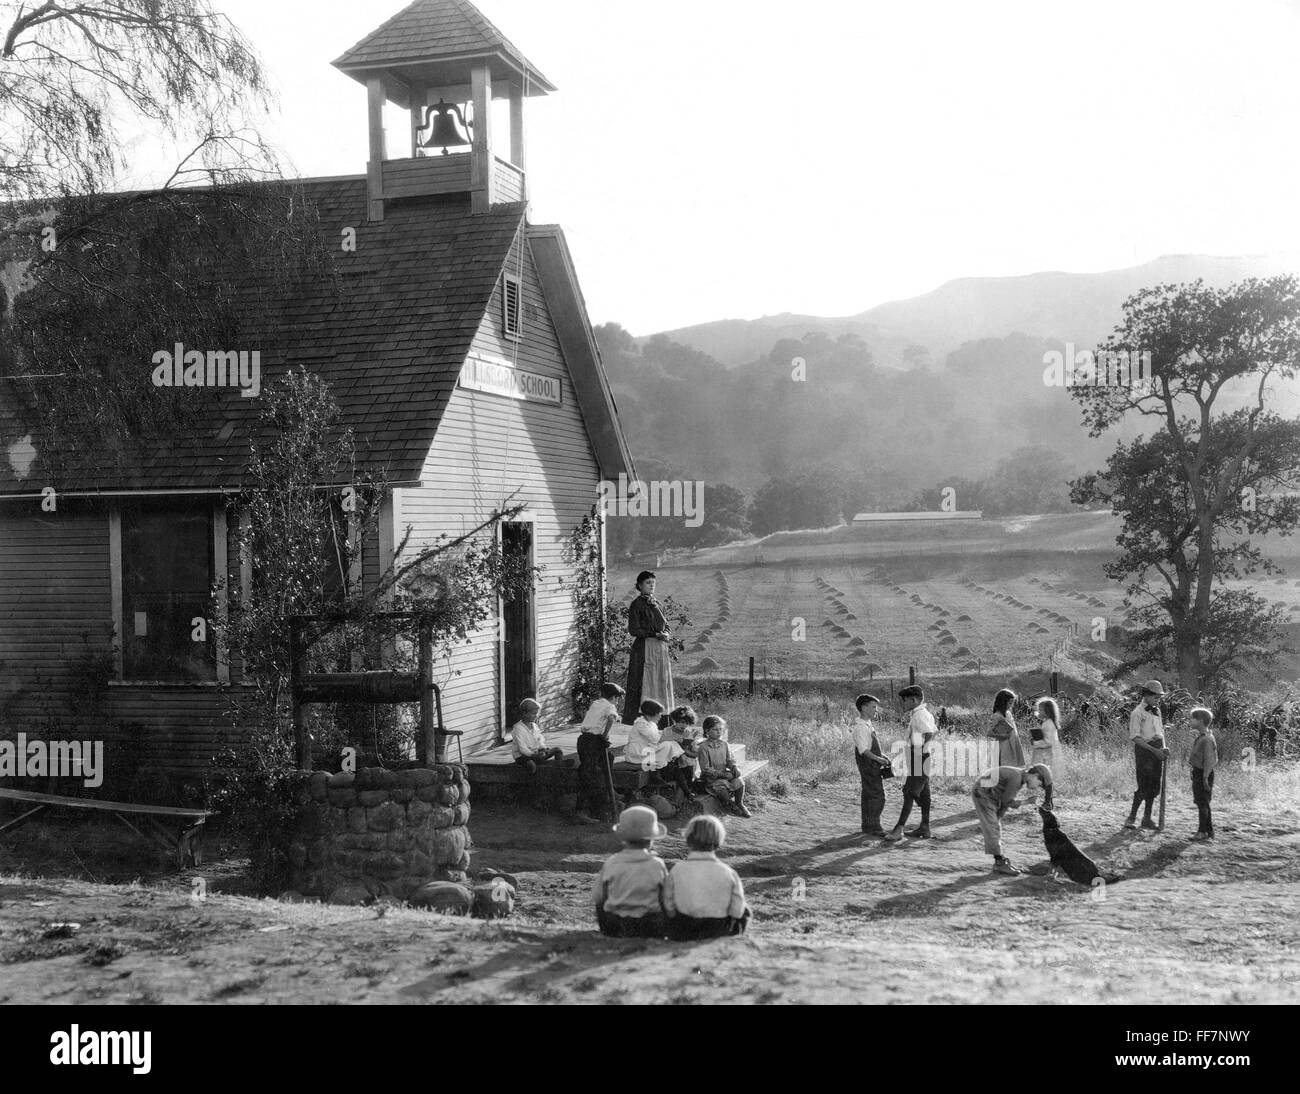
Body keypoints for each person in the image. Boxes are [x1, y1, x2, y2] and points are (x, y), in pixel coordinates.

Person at [664, 815, 752, 940]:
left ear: (688, 840)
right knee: (745, 910)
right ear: (718, 842)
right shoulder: (728, 872)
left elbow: (668, 904)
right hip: (716, 928)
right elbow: (737, 911)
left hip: (685, 928)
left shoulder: (677, 869)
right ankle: (736, 937)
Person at [592, 806, 670, 938]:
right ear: (651, 840)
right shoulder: (657, 864)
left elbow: (598, 897)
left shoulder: (611, 862)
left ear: (623, 838)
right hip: (649, 925)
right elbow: (667, 896)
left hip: (615, 924)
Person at [971, 763, 1051, 875]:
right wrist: (1026, 802)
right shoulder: (1016, 778)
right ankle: (1000, 863)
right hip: (983, 795)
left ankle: (999, 861)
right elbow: (1006, 801)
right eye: (1039, 784)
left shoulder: (1019, 777)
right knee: (993, 829)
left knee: (994, 827)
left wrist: (998, 817)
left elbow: (1005, 803)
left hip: (989, 795)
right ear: (1035, 775)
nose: (1037, 788)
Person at [622, 571, 675, 724]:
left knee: (660, 681)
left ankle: (662, 719)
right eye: (647, 583)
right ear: (639, 585)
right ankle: (644, 720)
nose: (651, 585)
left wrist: (666, 633)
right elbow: (634, 630)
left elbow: (667, 625)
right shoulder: (636, 605)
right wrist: (655, 635)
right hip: (645, 649)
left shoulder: (657, 603)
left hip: (660, 649)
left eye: (653, 583)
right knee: (647, 683)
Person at [884, 684, 935, 841]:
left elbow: (928, 733)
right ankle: (925, 827)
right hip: (921, 756)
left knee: (909, 792)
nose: (903, 703)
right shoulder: (920, 714)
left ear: (914, 699)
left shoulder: (920, 715)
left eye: (905, 700)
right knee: (924, 793)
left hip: (920, 757)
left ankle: (898, 830)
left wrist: (917, 750)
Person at [576, 682, 624, 823]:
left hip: (583, 739)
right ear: (614, 697)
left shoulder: (596, 703)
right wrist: (605, 735)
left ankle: (610, 791)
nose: (617, 701)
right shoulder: (610, 706)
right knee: (588, 773)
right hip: (593, 740)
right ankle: (580, 811)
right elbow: (611, 718)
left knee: (608, 757)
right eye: (618, 698)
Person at [1125, 680, 1168, 830]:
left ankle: (1147, 818)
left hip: (1157, 749)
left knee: (1154, 787)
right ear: (1146, 695)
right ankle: (1131, 818)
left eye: (1159, 697)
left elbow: (1160, 732)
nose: (1158, 699)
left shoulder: (1157, 711)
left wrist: (1163, 748)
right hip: (1144, 751)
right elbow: (1135, 737)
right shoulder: (1137, 713)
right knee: (1143, 786)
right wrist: (1153, 750)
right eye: (1155, 696)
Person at [696, 716, 752, 817]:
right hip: (711, 779)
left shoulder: (724, 744)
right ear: (707, 731)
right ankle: (730, 805)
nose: (719, 732)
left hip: (724, 775)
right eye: (715, 729)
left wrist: (734, 768)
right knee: (720, 787)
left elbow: (729, 760)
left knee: (739, 781)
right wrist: (723, 775)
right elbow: (706, 769)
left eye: (720, 729)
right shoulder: (704, 747)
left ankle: (739, 803)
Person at [853, 693, 892, 836]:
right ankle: (874, 826)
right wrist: (878, 759)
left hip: (872, 763)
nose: (876, 710)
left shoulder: (868, 725)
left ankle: (867, 825)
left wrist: (883, 756)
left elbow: (870, 745)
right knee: (877, 795)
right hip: (868, 764)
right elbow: (863, 750)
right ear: (863, 708)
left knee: (868, 794)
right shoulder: (861, 728)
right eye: (873, 707)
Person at [624, 698, 684, 791]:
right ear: (650, 714)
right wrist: (674, 737)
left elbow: (657, 735)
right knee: (668, 745)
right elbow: (657, 739)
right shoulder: (641, 724)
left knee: (669, 744)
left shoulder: (651, 724)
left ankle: (658, 772)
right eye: (658, 714)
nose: (660, 717)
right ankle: (656, 774)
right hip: (637, 753)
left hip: (645, 750)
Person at [509, 698, 565, 774]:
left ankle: (559, 763)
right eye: (533, 714)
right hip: (523, 757)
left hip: (536, 754)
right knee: (531, 764)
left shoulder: (534, 726)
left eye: (537, 714)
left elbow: (539, 739)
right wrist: (533, 755)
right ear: (524, 713)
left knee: (557, 750)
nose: (536, 716)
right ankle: (532, 775)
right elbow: (522, 749)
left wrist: (543, 748)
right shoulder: (518, 728)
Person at [1188, 706, 1218, 840]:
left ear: (1200, 721)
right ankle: (1209, 831)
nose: (1191, 721)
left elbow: (1209, 760)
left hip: (1203, 773)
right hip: (1199, 772)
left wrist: (1205, 777)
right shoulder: (1202, 737)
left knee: (1202, 802)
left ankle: (1202, 831)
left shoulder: (1206, 739)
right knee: (1203, 802)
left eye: (1193, 719)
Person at [661, 705, 701, 801]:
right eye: (682, 722)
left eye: (687, 723)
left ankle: (688, 791)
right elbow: (660, 747)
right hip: (669, 763)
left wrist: (686, 751)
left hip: (684, 764)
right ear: (675, 720)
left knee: (687, 766)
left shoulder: (688, 733)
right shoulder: (667, 731)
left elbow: (696, 754)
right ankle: (688, 793)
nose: (684, 726)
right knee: (676, 771)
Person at [1032, 697, 1061, 809]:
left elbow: (1048, 742)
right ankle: (1048, 801)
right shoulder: (1047, 722)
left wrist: (1036, 742)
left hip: (1048, 754)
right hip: (1046, 753)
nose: (1039, 712)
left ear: (1048, 711)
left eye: (1041, 710)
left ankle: (1048, 802)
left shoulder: (1049, 724)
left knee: (1046, 777)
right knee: (1044, 777)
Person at [989, 688, 1026, 766]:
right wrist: (1002, 735)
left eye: (1012, 703)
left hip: (1013, 743)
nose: (1011, 706)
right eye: (1009, 703)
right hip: (1004, 746)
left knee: (1015, 766)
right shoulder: (996, 716)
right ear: (1002, 702)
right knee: (1006, 767)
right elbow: (990, 733)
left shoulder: (1008, 713)